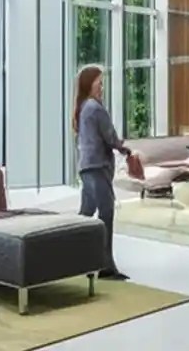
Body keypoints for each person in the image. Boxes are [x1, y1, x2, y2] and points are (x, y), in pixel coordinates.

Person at [73, 65, 131, 281]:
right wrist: (126, 149)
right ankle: (106, 267)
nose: (102, 87)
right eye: (100, 82)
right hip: (98, 168)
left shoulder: (82, 108)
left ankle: (72, 256)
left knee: (86, 213)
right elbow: (111, 138)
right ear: (90, 84)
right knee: (106, 214)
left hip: (87, 167)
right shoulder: (95, 108)